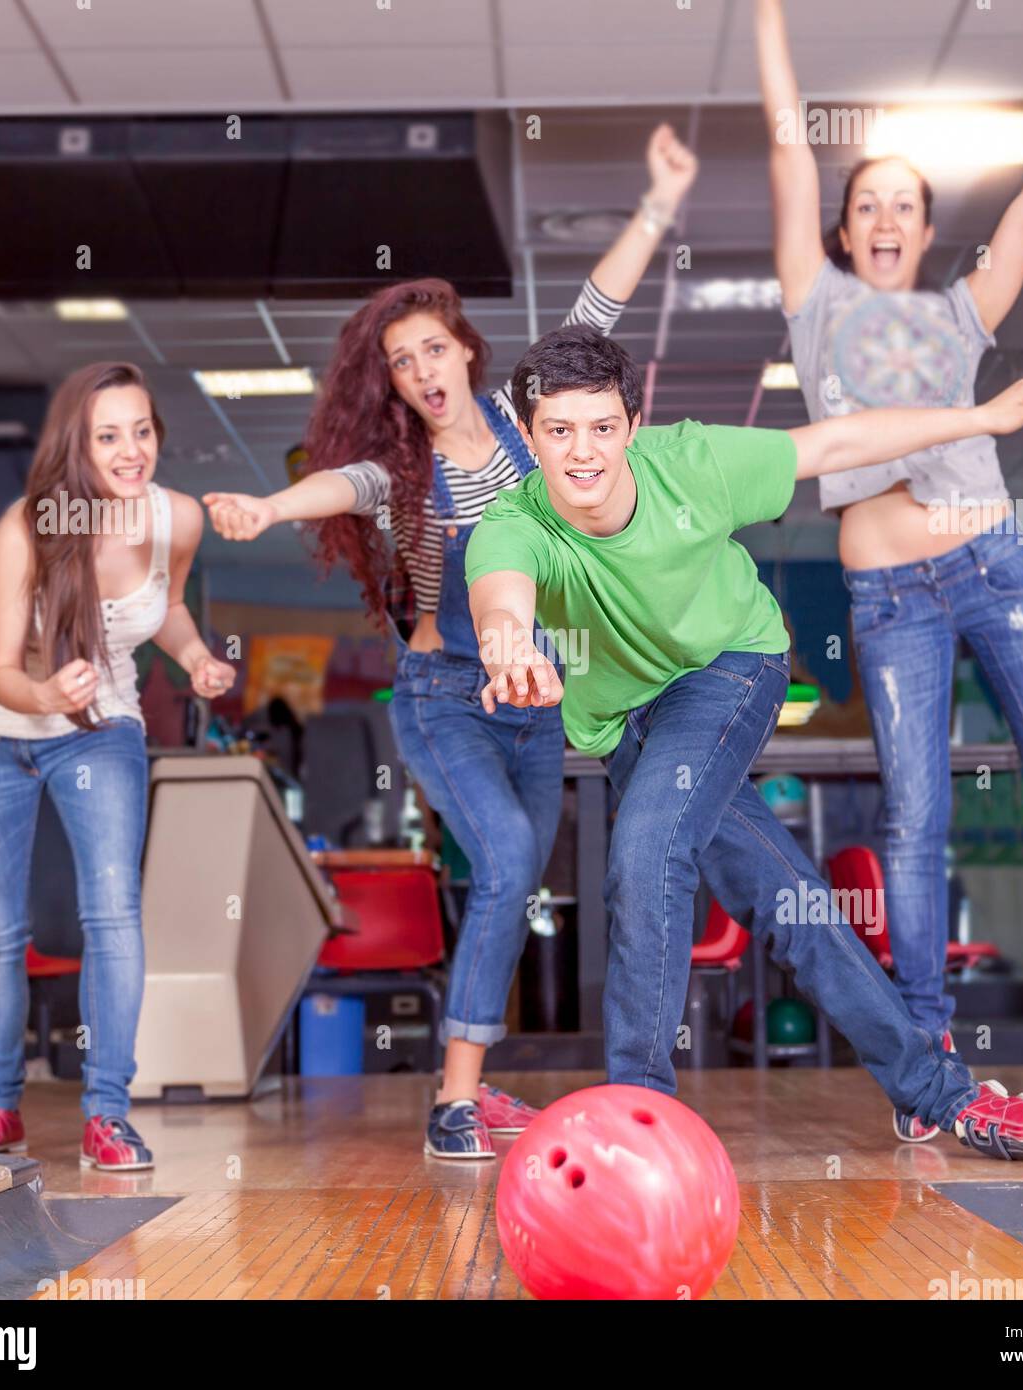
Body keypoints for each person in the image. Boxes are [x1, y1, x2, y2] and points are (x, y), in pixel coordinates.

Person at [203, 125, 699, 1159]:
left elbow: (596, 307)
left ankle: (474, 1084)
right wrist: (264, 504)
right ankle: (453, 1101)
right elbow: (336, 487)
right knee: (513, 854)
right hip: (440, 694)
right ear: (392, 385)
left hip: (533, 698)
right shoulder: (402, 473)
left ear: (466, 350)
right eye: (400, 362)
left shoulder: (534, 428)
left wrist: (657, 203)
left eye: (433, 347)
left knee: (512, 878)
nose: (422, 369)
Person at [465, 325, 1023, 1161]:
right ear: (528, 438)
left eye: (601, 427)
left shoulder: (695, 464)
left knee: (645, 853)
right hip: (626, 724)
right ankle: (936, 1092)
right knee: (788, 903)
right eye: (558, 431)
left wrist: (979, 417)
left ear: (632, 426)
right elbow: (503, 599)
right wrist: (509, 645)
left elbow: (841, 439)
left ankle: (638, 1127)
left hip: (731, 669)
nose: (582, 453)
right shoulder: (512, 522)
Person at [755, 0, 1023, 1137]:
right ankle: (926, 1052)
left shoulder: (961, 313)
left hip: (990, 567)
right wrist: (765, 11)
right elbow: (782, 139)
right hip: (889, 600)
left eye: (902, 205)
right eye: (864, 202)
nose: (880, 216)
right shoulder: (813, 310)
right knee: (915, 818)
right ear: (846, 227)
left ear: (919, 231)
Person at [0, 362, 236, 1171]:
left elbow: (165, 609)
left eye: (142, 430)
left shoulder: (176, 518)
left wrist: (197, 658)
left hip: (98, 727)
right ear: (77, 442)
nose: (131, 449)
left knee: (113, 914)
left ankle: (108, 1112)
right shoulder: (22, 531)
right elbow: (3, 669)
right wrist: (42, 689)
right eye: (109, 435)